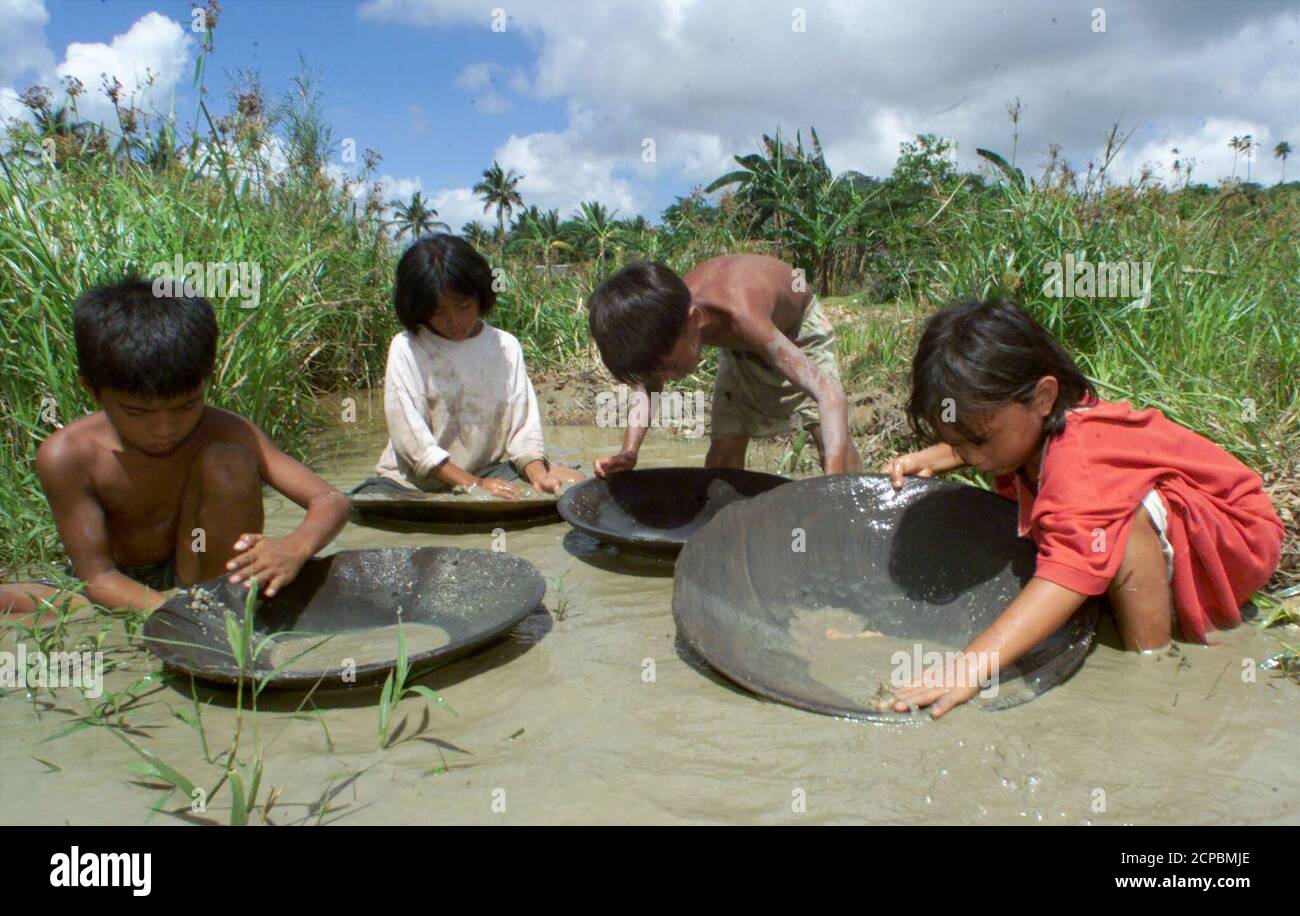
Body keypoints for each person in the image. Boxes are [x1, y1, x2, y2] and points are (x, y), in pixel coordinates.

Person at [881, 298, 1283, 717]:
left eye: (978, 441)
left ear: (1042, 396)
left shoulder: (1081, 457)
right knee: (1092, 519)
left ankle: (1152, 659)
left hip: (1237, 542)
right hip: (1192, 527)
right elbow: (991, 440)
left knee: (1123, 522)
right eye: (957, 441)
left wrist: (969, 666)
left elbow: (1068, 572)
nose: (972, 456)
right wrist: (944, 455)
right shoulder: (1032, 425)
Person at [0, 278, 350, 616]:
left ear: (207, 378)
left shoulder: (226, 430)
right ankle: (205, 610)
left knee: (230, 460)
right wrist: (175, 613)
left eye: (186, 406)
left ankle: (222, 600)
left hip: (196, 566)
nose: (164, 429)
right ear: (91, 390)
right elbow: (97, 576)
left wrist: (294, 548)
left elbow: (330, 500)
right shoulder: (67, 455)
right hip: (112, 581)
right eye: (137, 412)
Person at [351, 234, 583, 500]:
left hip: (487, 472)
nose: (454, 322)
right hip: (415, 482)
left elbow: (524, 431)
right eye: (438, 313)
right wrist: (472, 485)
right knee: (369, 501)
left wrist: (540, 476)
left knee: (575, 483)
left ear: (480, 296)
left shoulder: (505, 346)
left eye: (463, 307)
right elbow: (411, 444)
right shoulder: (407, 348)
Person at [586, 255, 862, 475]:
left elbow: (829, 393)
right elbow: (648, 386)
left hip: (796, 329)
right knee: (723, 452)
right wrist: (629, 452)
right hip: (738, 345)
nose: (668, 377)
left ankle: (854, 504)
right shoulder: (662, 318)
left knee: (828, 440)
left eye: (668, 365)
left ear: (694, 321)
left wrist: (831, 489)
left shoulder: (740, 316)